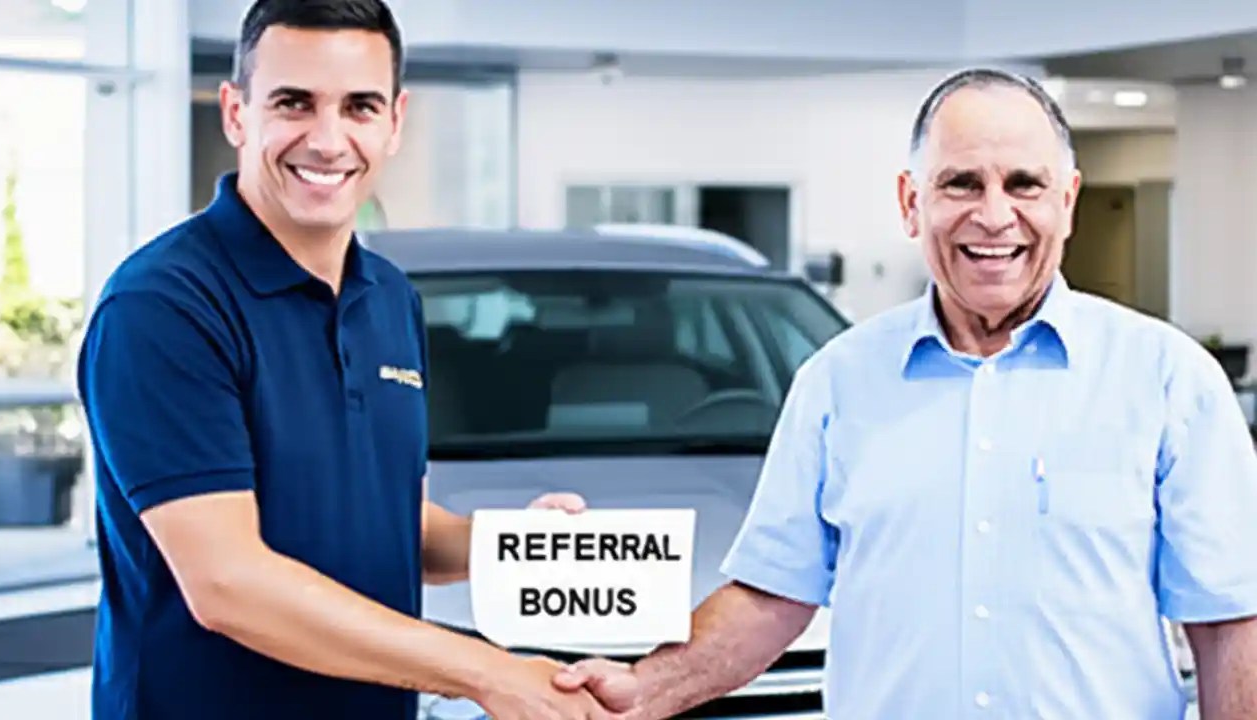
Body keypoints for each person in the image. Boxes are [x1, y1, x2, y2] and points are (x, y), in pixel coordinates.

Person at [555, 68, 1257, 719]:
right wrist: (643, 690)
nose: (994, 216)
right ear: (910, 202)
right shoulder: (838, 381)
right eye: (961, 184)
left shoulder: (1167, 379)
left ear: (1067, 201)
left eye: (1023, 184)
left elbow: (1230, 620)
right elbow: (772, 595)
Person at [76, 2, 615, 719]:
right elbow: (228, 583)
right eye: (294, 103)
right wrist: (486, 671)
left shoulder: (389, 298)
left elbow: (397, 521)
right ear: (236, 113)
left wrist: (512, 543)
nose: (328, 141)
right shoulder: (163, 306)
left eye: (359, 107)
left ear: (395, 121)